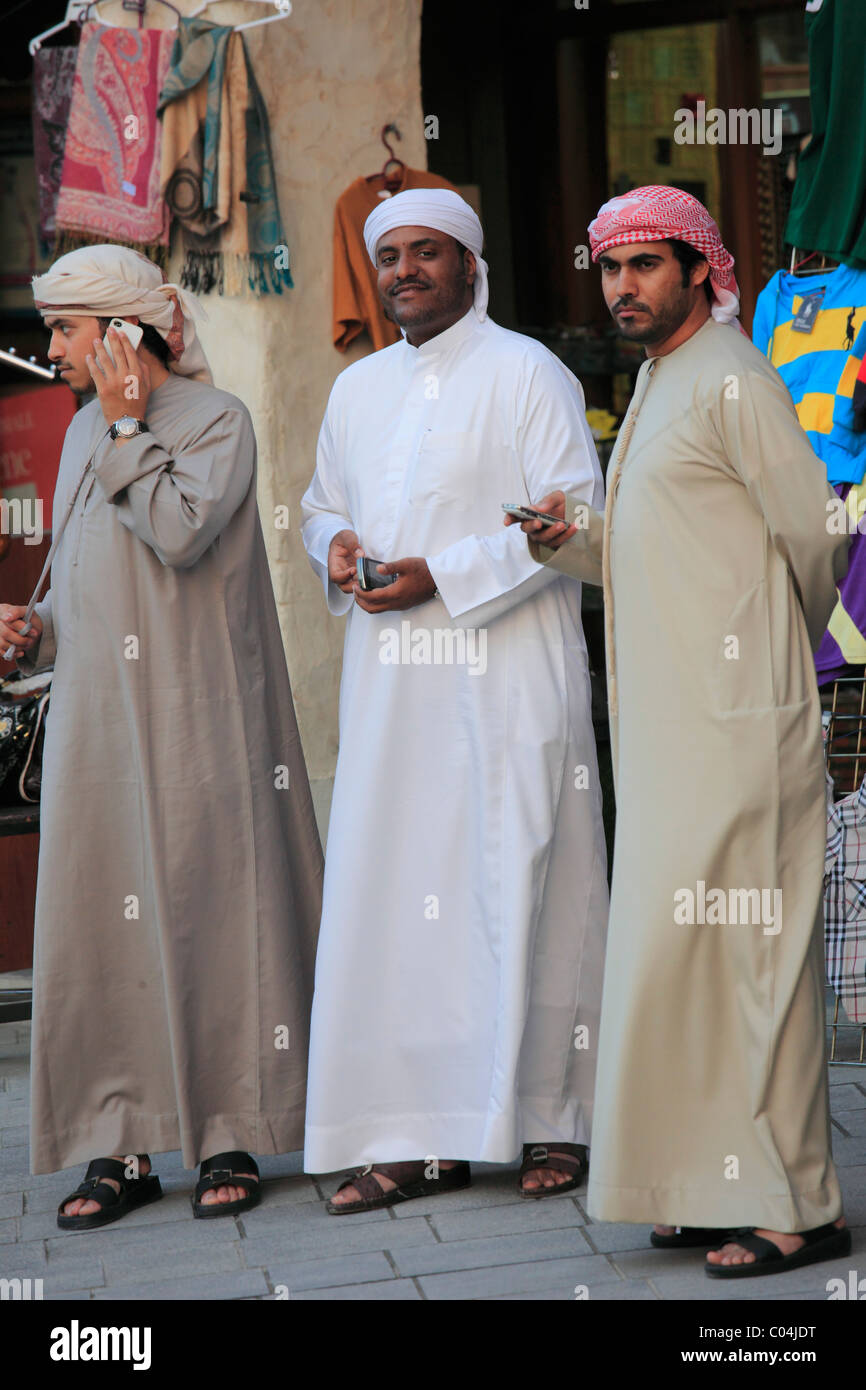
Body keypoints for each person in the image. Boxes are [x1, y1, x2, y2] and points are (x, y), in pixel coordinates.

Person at [509, 185, 852, 1279]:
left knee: (754, 964)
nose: (622, 287)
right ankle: (711, 1184)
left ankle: (796, 1206)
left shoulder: (735, 376)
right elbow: (658, 542)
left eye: (645, 265)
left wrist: (768, 652)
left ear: (701, 269)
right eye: (610, 268)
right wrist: (570, 538)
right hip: (669, 737)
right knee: (682, 961)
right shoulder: (662, 377)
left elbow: (814, 535)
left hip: (739, 728)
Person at [0, 244, 323, 1228]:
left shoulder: (217, 420)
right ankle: (119, 1142)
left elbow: (179, 532)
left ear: (121, 332)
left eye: (65, 330)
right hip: (98, 727)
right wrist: (32, 628)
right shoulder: (78, 430)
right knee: (102, 925)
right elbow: (87, 574)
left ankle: (228, 1133)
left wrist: (129, 426)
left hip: (198, 719)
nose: (52, 349)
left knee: (211, 913)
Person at [300, 188, 609, 1211]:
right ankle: (417, 1133)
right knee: (401, 892)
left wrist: (443, 572)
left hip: (507, 674)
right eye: (389, 256)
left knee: (529, 876)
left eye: (426, 252)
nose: (404, 271)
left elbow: (571, 515)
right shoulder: (357, 389)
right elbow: (320, 505)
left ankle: (554, 1119)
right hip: (391, 688)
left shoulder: (529, 371)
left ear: (470, 264)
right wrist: (333, 545)